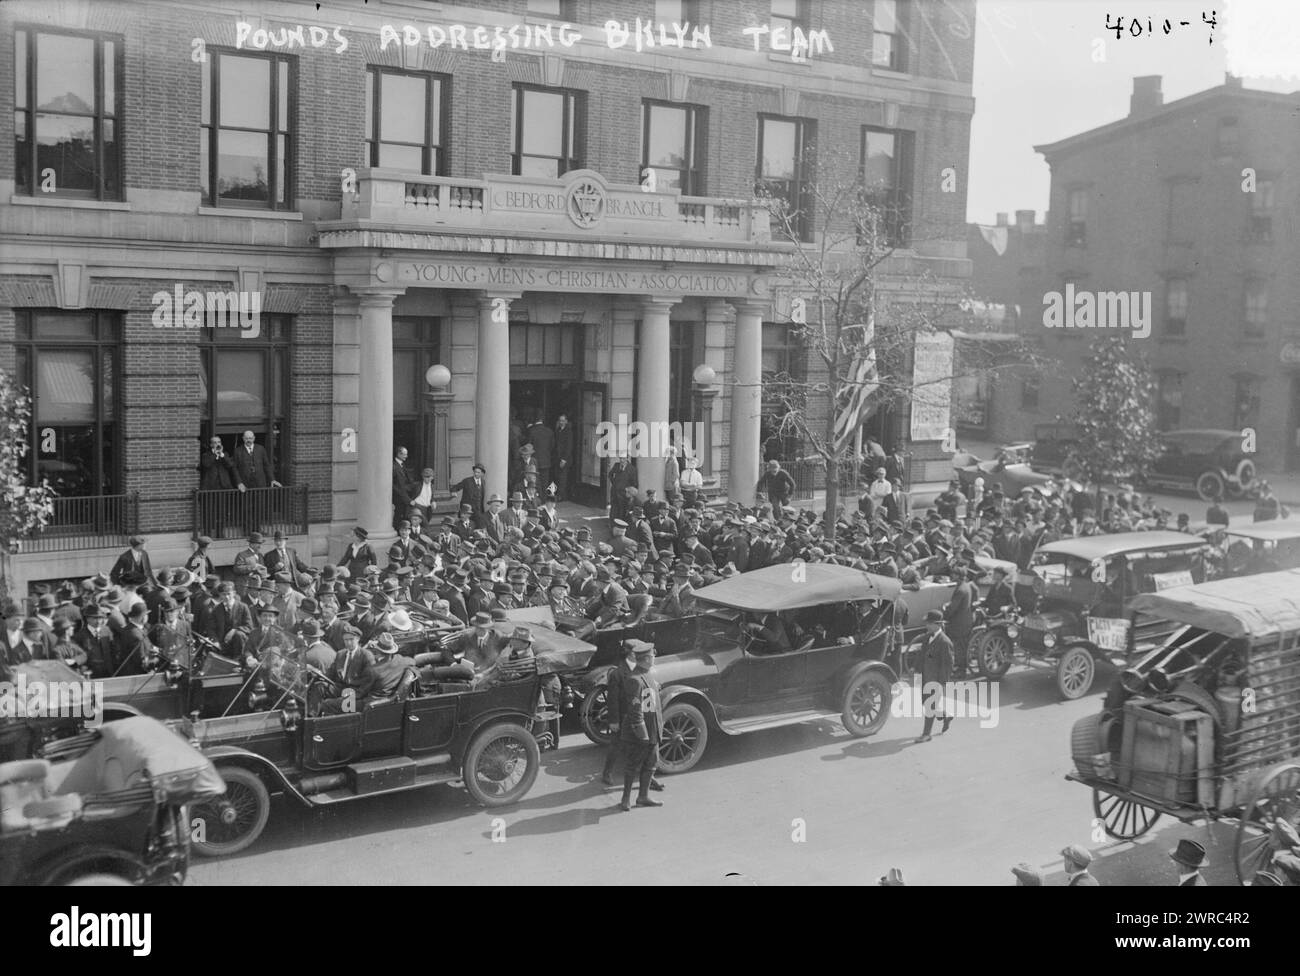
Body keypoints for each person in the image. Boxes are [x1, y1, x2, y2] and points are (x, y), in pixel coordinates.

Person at [616, 640, 664, 811]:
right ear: (645, 659)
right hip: (641, 733)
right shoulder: (634, 679)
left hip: (651, 730)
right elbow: (635, 710)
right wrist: (642, 734)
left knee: (651, 763)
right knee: (632, 765)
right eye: (652, 656)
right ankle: (625, 799)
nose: (654, 658)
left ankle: (643, 796)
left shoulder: (646, 675)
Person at [915, 610, 952, 743]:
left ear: (937, 625)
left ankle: (926, 734)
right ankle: (945, 716)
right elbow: (922, 655)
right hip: (926, 676)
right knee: (926, 703)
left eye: (929, 623)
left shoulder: (945, 642)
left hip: (936, 680)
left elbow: (947, 665)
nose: (927, 626)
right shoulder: (928, 637)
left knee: (930, 706)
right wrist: (917, 669)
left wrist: (941, 683)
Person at [199, 435, 236, 533]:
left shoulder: (225, 454)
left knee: (221, 512)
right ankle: (207, 533)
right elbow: (206, 464)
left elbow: (230, 465)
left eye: (218, 442)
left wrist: (222, 455)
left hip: (222, 487)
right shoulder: (206, 455)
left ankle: (220, 532)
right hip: (209, 488)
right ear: (211, 444)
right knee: (209, 511)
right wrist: (215, 455)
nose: (217, 444)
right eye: (214, 443)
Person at [944, 567, 976, 677]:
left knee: (959, 646)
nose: (952, 575)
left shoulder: (960, 589)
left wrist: (945, 613)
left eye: (954, 574)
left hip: (959, 623)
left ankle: (961, 671)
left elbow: (953, 608)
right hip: (964, 621)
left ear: (959, 576)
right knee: (961, 646)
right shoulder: (966, 586)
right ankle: (959, 668)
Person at [554, 414, 575, 501]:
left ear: (566, 421)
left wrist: (564, 459)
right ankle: (560, 494)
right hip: (558, 458)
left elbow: (569, 446)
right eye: (560, 420)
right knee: (558, 477)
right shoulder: (558, 430)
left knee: (563, 478)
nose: (561, 422)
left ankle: (561, 496)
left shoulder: (568, 431)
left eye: (563, 420)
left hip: (564, 459)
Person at [391, 446, 413, 528]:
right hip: (399, 498)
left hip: (404, 497)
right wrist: (408, 499)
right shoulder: (394, 466)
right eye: (404, 454)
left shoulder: (402, 465)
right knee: (398, 517)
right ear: (399, 454)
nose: (406, 456)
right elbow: (397, 486)